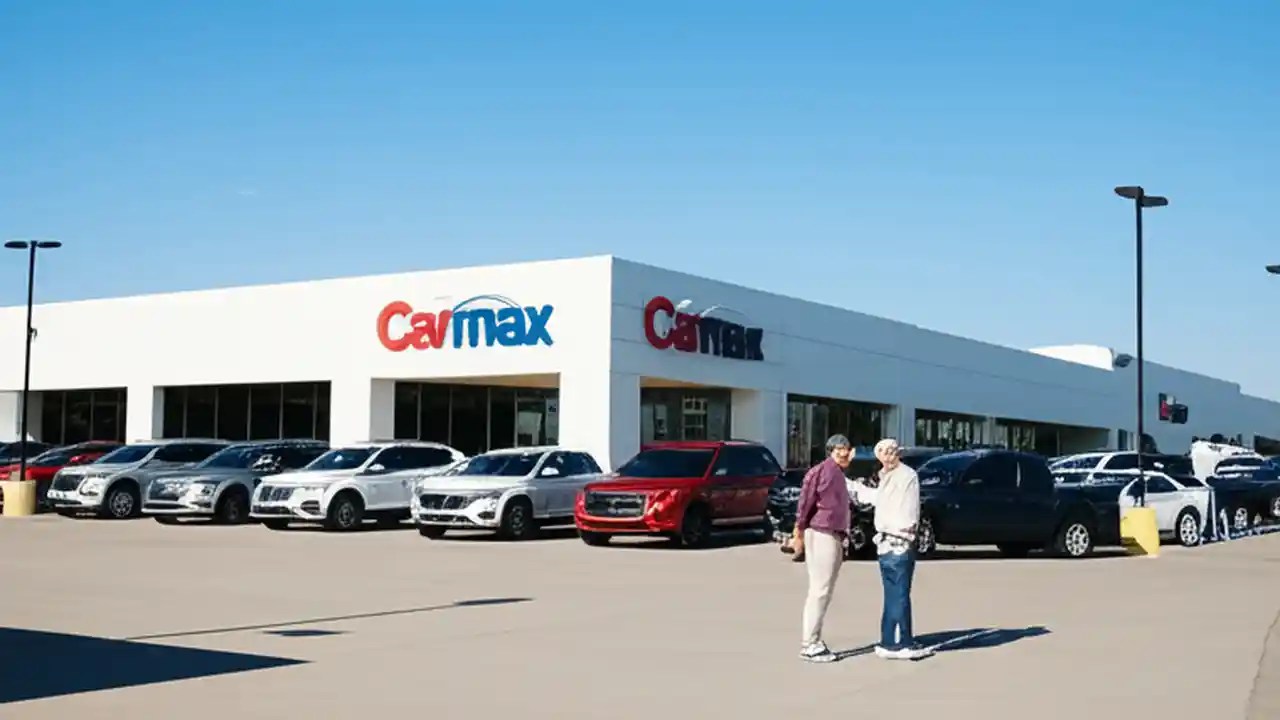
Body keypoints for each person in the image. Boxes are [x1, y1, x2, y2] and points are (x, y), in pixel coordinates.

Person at [852, 438, 933, 660]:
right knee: (896, 594)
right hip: (890, 544)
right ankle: (897, 642)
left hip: (896, 542)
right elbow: (876, 498)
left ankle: (894, 640)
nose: (885, 459)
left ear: (896, 453)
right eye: (881, 455)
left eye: (889, 453)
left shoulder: (905, 476)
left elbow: (907, 510)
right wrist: (851, 487)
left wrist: (904, 533)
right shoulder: (891, 476)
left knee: (896, 593)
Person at [791, 434, 853, 663]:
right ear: (830, 452)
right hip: (822, 532)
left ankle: (812, 640)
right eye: (839, 450)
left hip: (829, 533)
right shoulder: (823, 472)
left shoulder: (837, 473)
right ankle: (810, 643)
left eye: (846, 449)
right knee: (820, 590)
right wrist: (798, 530)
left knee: (821, 589)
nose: (844, 453)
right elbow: (805, 502)